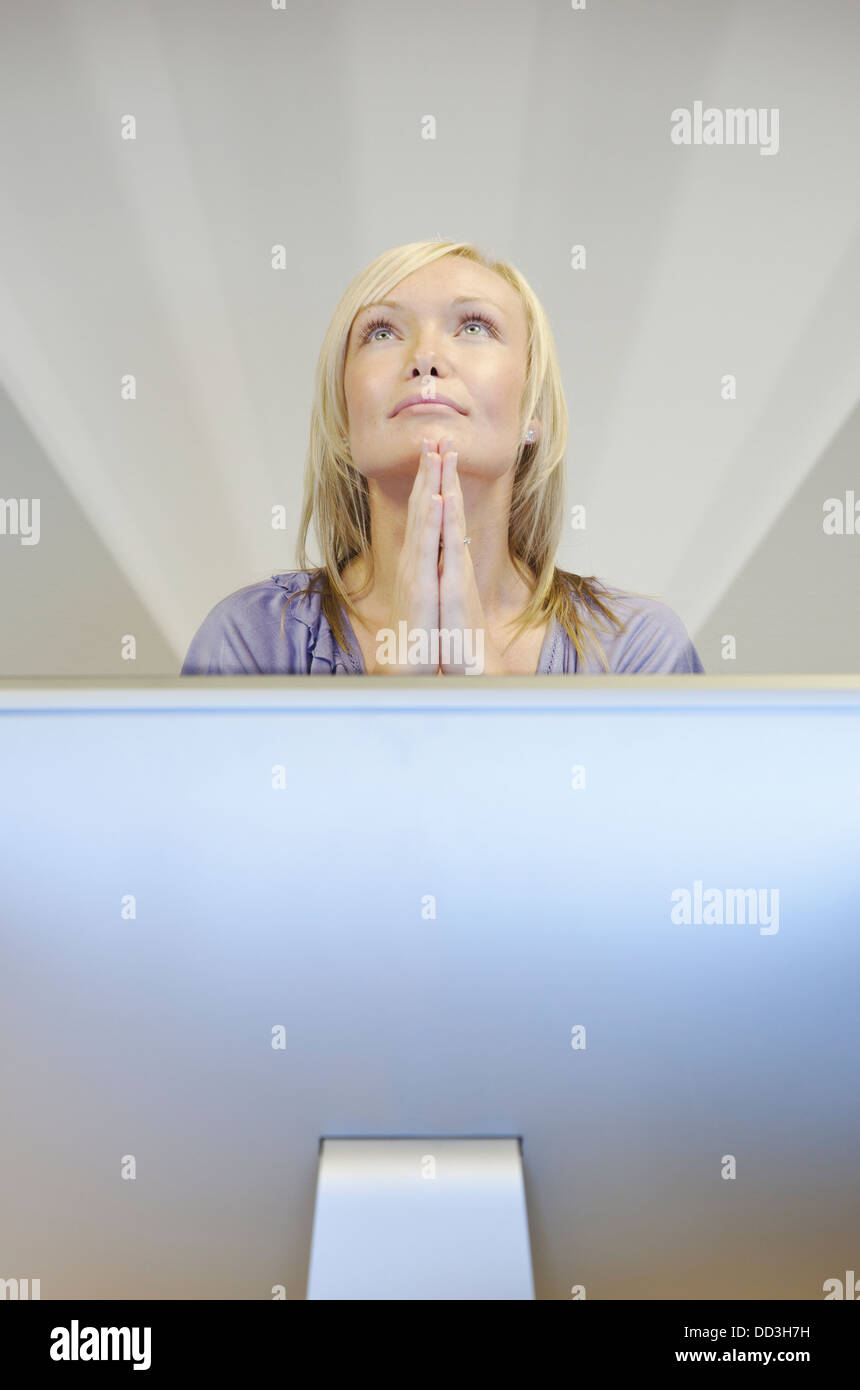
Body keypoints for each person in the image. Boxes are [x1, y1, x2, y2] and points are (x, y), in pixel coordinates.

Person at [181, 239, 704, 677]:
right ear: (342, 422)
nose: (426, 357)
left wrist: (476, 665)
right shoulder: (248, 643)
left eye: (474, 326)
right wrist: (395, 683)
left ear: (531, 411)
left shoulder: (639, 652)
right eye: (382, 331)